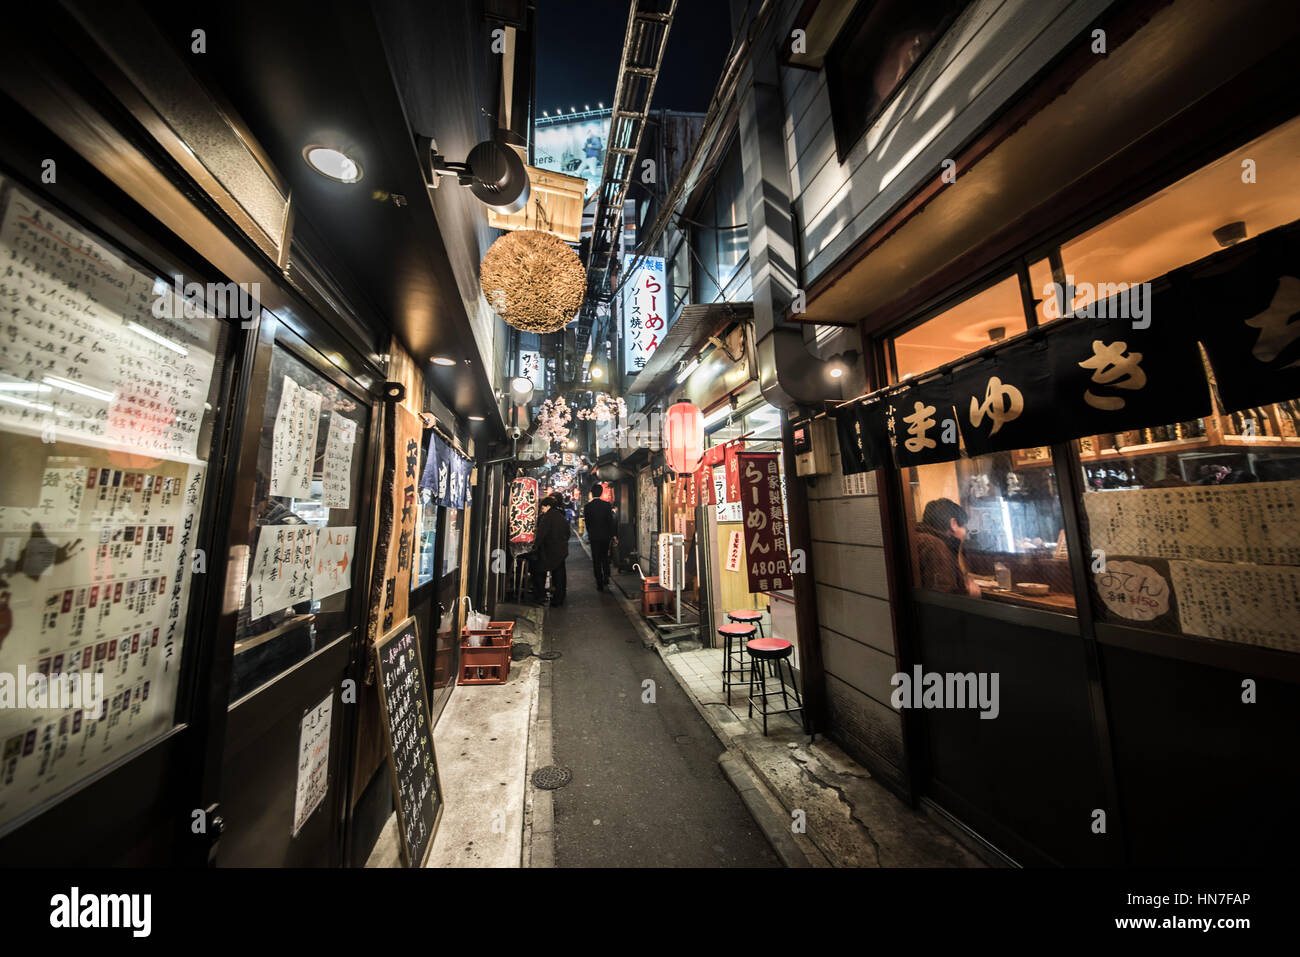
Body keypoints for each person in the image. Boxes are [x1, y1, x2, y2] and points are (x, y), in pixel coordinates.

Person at [914, 498, 981, 598]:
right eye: (963, 527)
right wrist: (969, 593)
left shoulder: (919, 537)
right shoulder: (935, 546)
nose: (965, 533)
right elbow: (944, 596)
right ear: (953, 524)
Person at [532, 495, 571, 606]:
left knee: (540, 571)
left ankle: (541, 596)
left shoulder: (547, 518)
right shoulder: (560, 516)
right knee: (560, 575)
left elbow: (541, 535)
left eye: (543, 508)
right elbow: (568, 533)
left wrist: (535, 547)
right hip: (561, 550)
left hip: (550, 550)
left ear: (548, 506)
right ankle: (560, 597)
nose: (542, 511)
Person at [583, 483, 618, 591]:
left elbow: (587, 523)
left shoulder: (588, 507)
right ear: (601, 493)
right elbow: (610, 521)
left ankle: (599, 582)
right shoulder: (606, 505)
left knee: (596, 559)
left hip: (594, 537)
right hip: (605, 536)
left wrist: (591, 533)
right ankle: (606, 577)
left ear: (592, 493)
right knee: (604, 557)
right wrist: (612, 535)